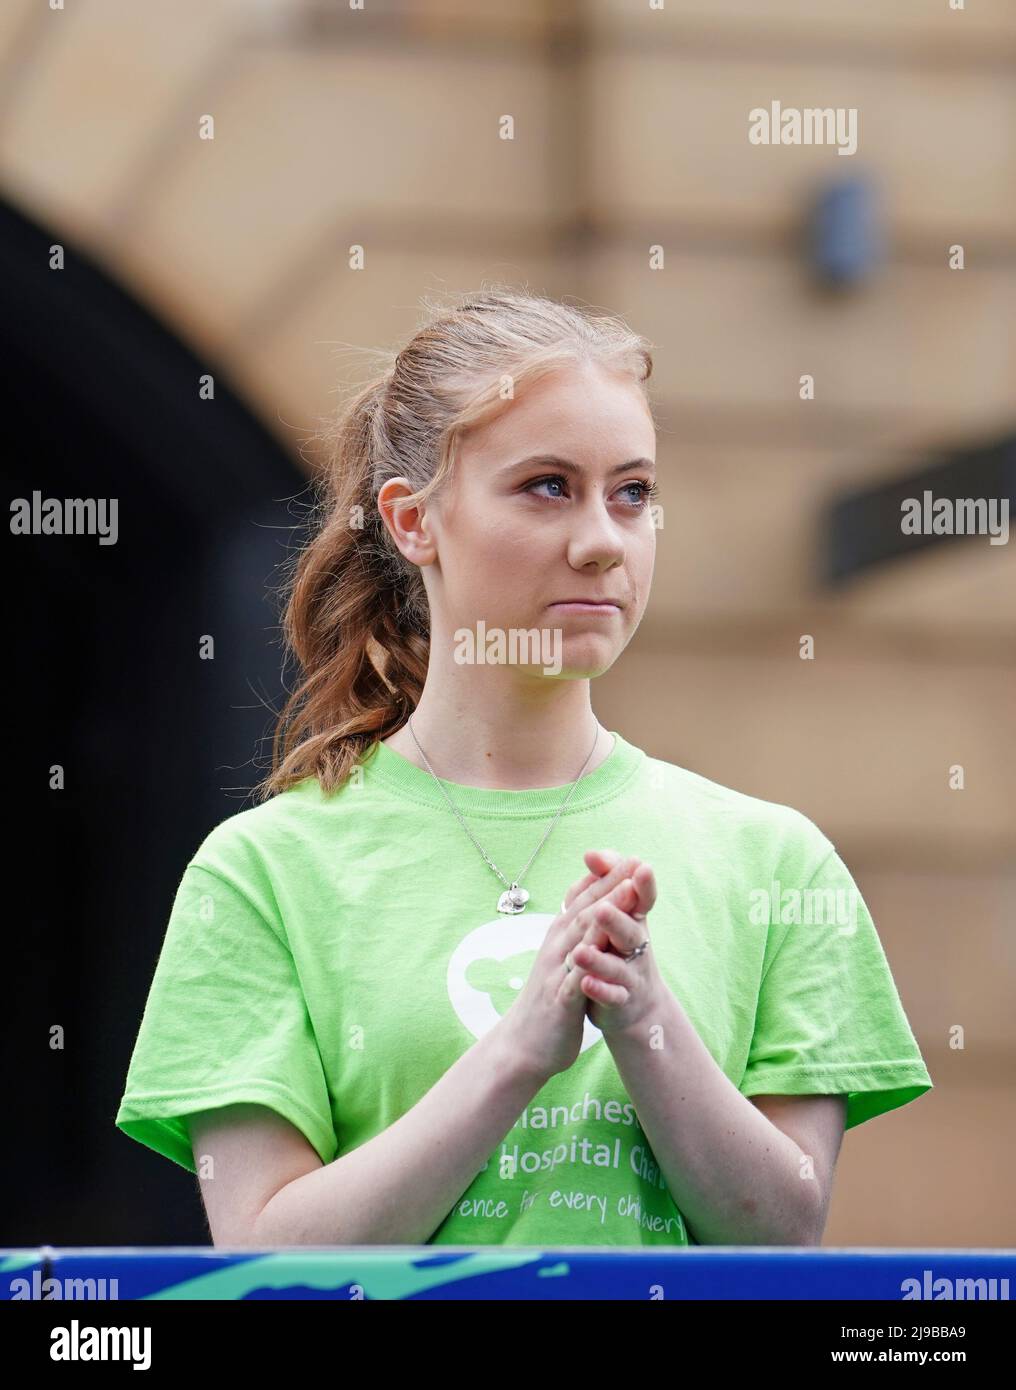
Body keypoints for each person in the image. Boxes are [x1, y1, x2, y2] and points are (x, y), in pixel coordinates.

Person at [115, 287, 932, 1248]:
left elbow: (782, 1238)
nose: (602, 543)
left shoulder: (776, 861)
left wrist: (645, 1024)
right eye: (548, 486)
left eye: (633, 493)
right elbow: (269, 1258)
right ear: (412, 522)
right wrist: (516, 1053)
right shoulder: (262, 872)